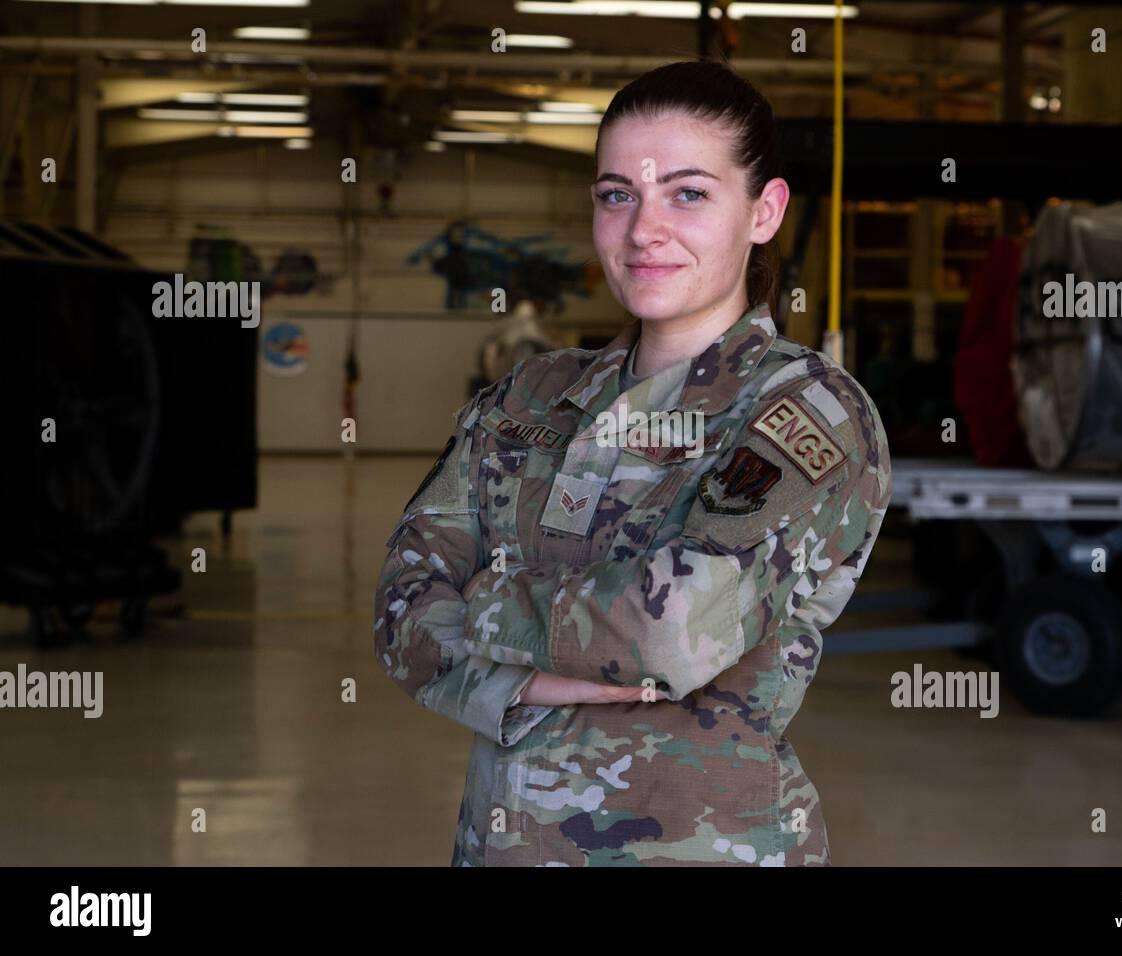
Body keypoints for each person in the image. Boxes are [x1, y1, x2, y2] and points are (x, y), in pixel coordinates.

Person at [374, 58, 892, 866]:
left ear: (764, 210)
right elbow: (400, 612)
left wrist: (484, 603)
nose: (643, 229)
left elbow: (673, 635)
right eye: (618, 194)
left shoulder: (804, 411)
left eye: (688, 193)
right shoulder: (529, 398)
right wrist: (524, 684)